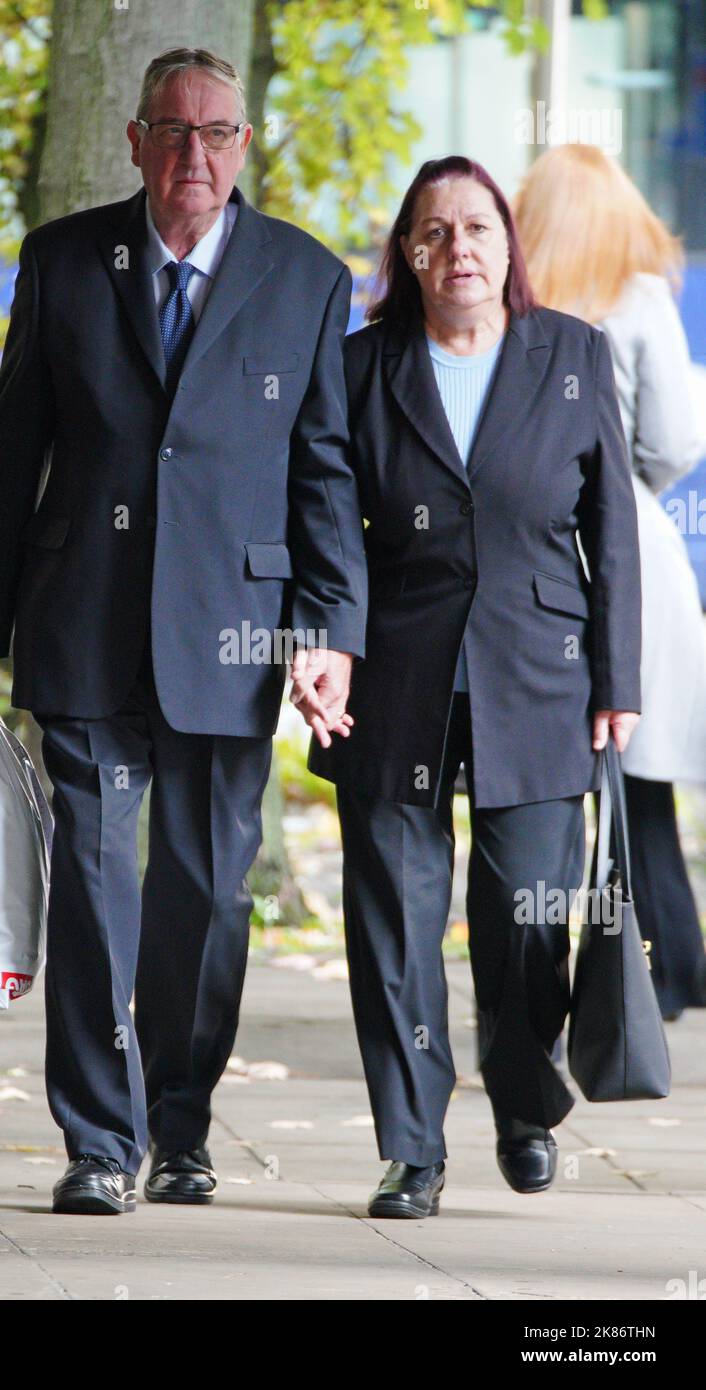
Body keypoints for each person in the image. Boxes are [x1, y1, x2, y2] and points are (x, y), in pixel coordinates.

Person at [0, 47, 366, 1216]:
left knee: (207, 893)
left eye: (217, 133)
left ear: (243, 146)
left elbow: (322, 472)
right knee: (88, 873)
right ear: (133, 141)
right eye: (172, 132)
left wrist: (328, 630)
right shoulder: (65, 261)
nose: (194, 155)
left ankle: (178, 1122)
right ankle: (94, 1137)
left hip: (232, 632)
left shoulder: (306, 279)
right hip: (82, 621)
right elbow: (11, 450)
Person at [306, 155, 641, 1219]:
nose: (458, 249)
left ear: (509, 247)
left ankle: (520, 1100)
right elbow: (323, 521)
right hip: (392, 677)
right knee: (393, 923)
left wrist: (615, 679)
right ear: (405, 255)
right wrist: (325, 640)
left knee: (523, 918)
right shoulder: (360, 366)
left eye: (478, 229)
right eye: (433, 232)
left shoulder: (573, 357)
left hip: (541, 676)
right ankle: (411, 1147)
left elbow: (613, 535)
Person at [513, 143, 706, 1022]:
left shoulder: (511, 304)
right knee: (642, 778)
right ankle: (661, 973)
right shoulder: (637, 297)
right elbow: (672, 440)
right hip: (631, 547)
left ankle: (563, 980)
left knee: (548, 783)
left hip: (532, 555)